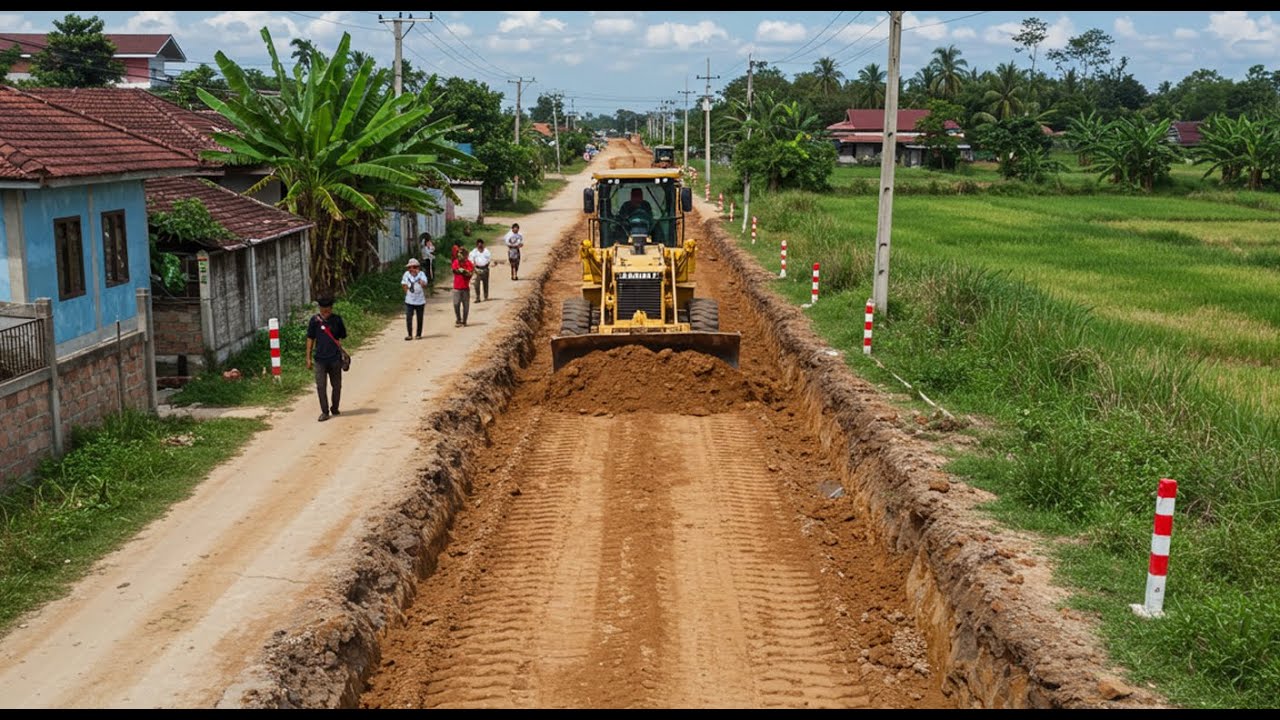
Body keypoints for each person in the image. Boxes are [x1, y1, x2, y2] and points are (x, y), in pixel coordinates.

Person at [305, 296, 347, 422]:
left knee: (337, 386)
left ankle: (335, 407)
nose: (325, 312)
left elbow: (342, 335)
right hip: (319, 359)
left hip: (335, 358)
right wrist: (308, 357)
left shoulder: (337, 320)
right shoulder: (314, 321)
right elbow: (310, 339)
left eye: (327, 310)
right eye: (323, 310)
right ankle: (324, 411)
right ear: (320, 309)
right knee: (321, 386)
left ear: (331, 308)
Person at [401, 258, 429, 340]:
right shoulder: (406, 274)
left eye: (413, 267)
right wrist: (407, 293)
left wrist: (421, 282)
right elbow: (404, 284)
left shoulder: (421, 274)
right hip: (409, 300)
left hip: (420, 300)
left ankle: (418, 334)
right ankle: (409, 334)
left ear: (417, 267)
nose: (411, 269)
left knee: (419, 318)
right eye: (409, 268)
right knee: (409, 317)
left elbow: (425, 284)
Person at [451, 250, 474, 327]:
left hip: (465, 287)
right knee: (456, 304)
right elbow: (454, 271)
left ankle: (464, 320)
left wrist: (464, 271)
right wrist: (462, 270)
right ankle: (458, 319)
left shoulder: (469, 263)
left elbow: (470, 273)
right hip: (457, 287)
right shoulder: (456, 262)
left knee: (466, 305)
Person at [468, 238, 493, 302]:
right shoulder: (473, 252)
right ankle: (478, 297)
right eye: (478, 245)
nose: (480, 246)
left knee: (485, 283)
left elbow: (489, 259)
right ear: (476, 245)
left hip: (485, 268)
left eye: (481, 245)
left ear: (483, 245)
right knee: (476, 284)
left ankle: (486, 296)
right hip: (477, 269)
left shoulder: (486, 251)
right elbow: (471, 260)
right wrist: (474, 266)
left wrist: (487, 264)